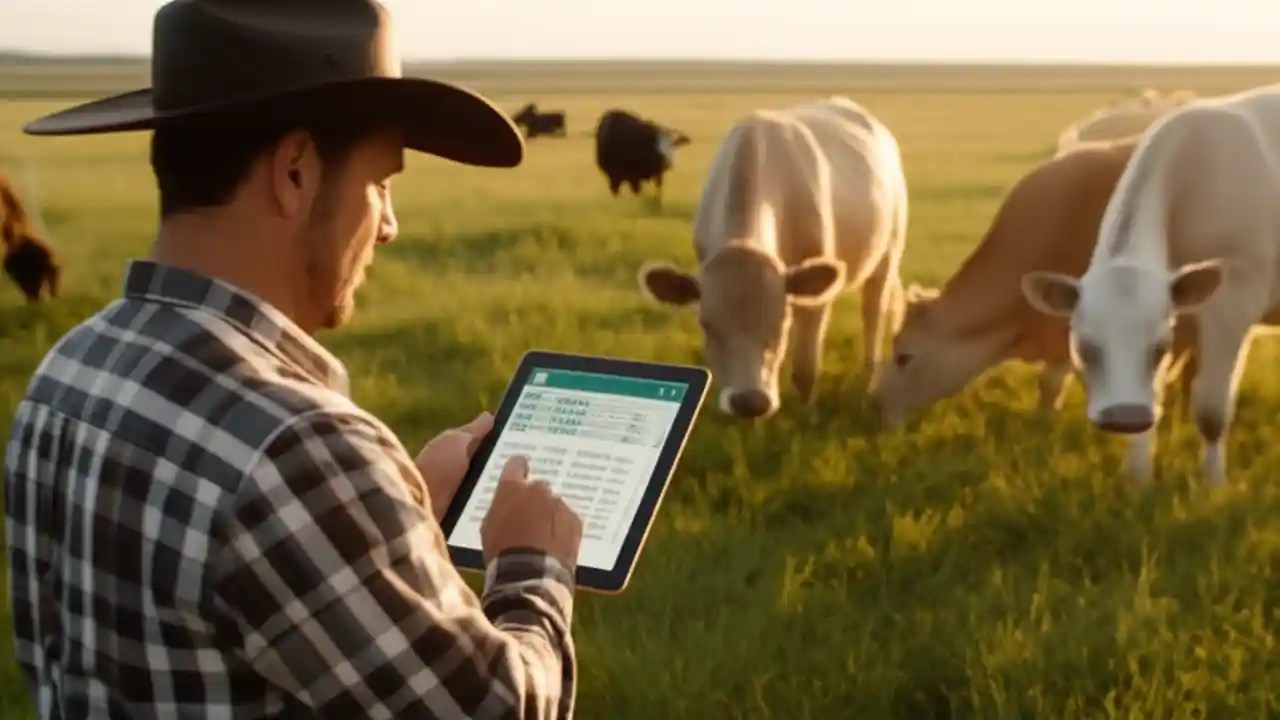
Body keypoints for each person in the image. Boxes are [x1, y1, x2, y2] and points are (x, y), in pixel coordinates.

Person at [3, 1, 584, 718]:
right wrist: (531, 563)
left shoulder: (70, 370)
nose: (389, 226)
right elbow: (498, 710)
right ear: (297, 172)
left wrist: (399, 516)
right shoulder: (296, 449)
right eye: (381, 184)